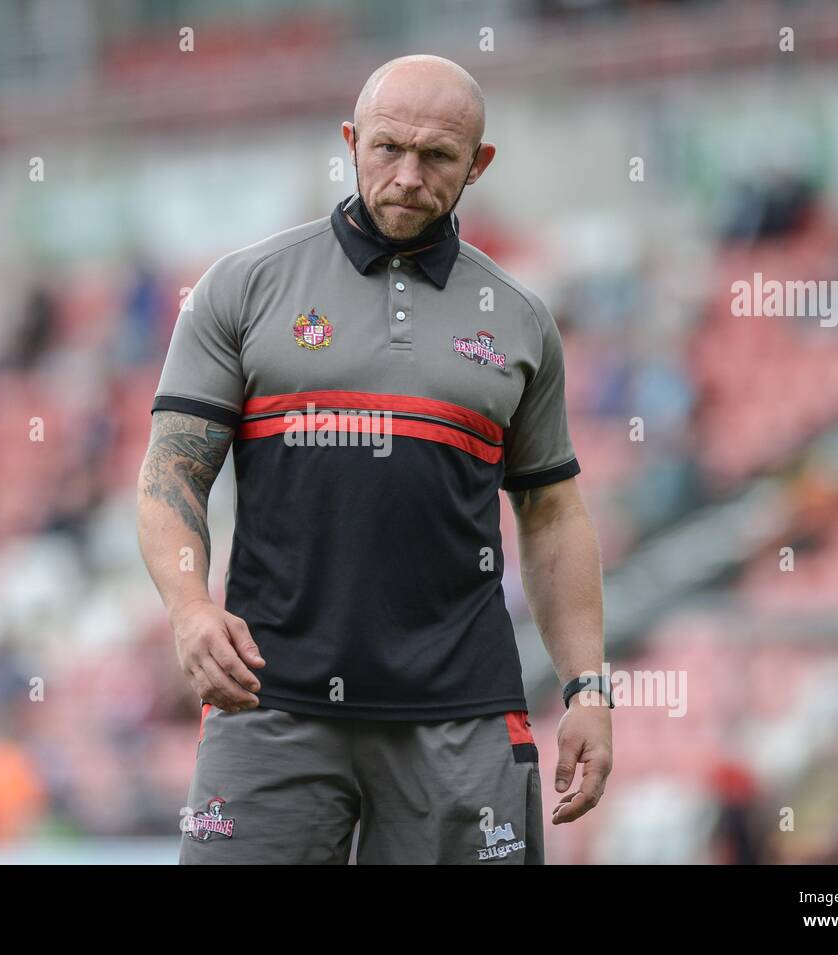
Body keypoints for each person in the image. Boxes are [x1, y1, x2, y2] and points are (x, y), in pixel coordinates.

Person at [138, 54, 611, 864]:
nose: (408, 175)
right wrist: (188, 607)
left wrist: (589, 687)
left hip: (462, 713)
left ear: (478, 164)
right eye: (387, 148)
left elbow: (553, 514)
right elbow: (173, 470)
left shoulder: (522, 320)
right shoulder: (243, 289)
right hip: (269, 701)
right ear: (351, 142)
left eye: (438, 157)